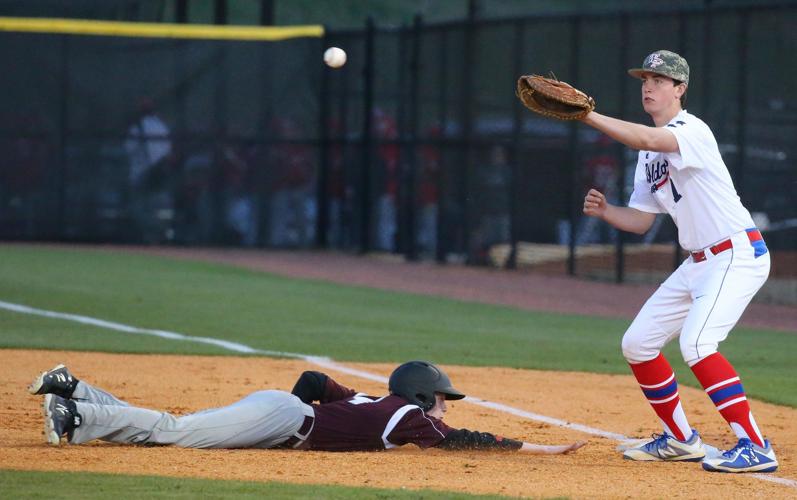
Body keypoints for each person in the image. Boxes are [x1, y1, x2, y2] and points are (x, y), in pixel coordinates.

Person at [580, 50, 776, 473]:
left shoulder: (691, 129)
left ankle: (755, 445)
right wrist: (606, 211)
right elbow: (640, 221)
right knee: (637, 343)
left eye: (660, 79)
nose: (649, 85)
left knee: (698, 344)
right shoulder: (648, 158)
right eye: (645, 78)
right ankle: (682, 440)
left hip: (734, 253)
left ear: (680, 89)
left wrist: (588, 117)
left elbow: (647, 138)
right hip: (698, 262)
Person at [29, 361, 586, 455]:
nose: (444, 408)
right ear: (422, 396)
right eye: (442, 398)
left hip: (282, 415)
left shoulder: (379, 403)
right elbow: (471, 441)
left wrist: (294, 412)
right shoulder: (408, 418)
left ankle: (73, 390)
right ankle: (78, 419)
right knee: (178, 432)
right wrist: (543, 446)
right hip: (283, 419)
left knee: (179, 429)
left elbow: (315, 380)